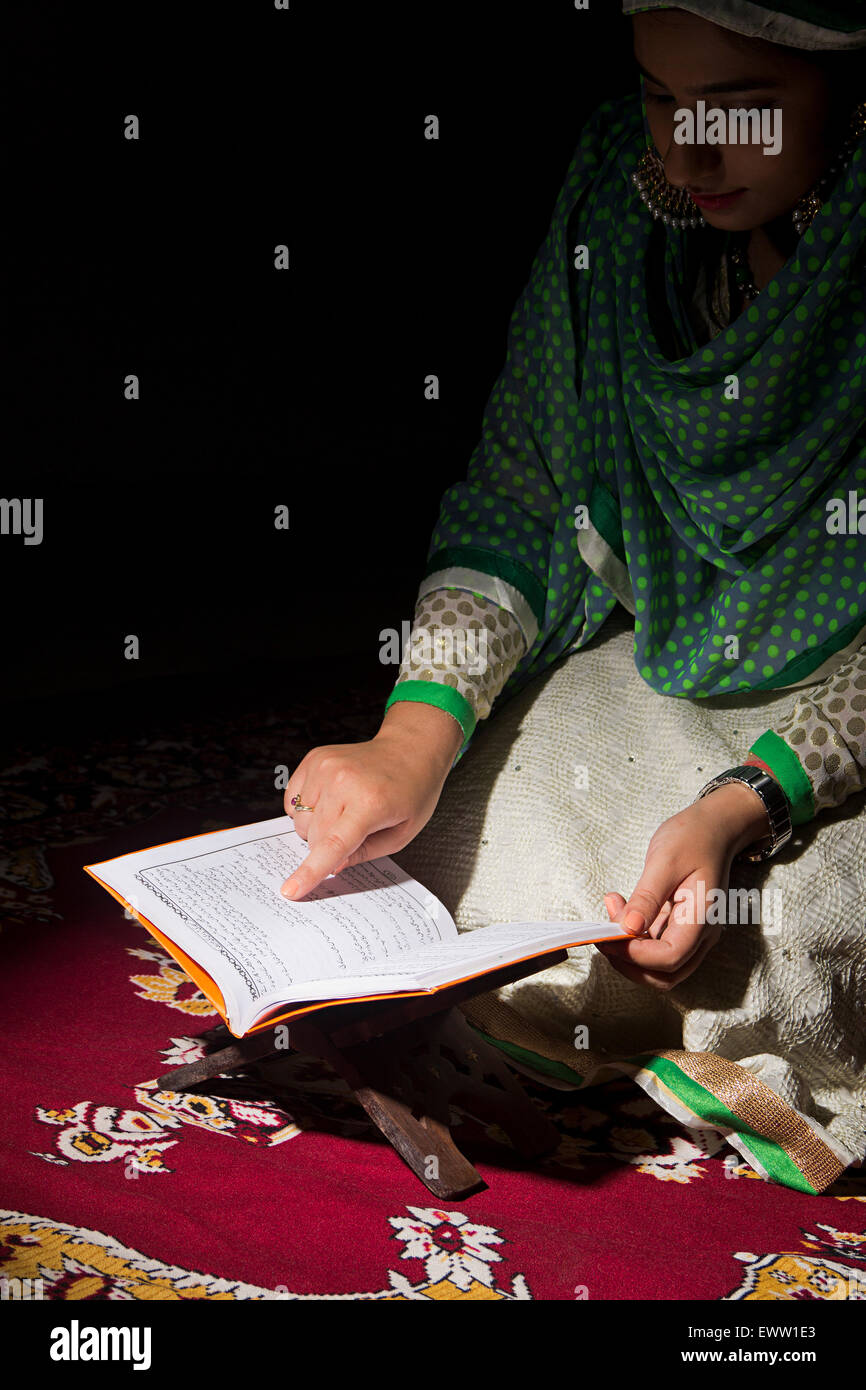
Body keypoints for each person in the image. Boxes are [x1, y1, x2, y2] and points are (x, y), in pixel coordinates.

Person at [280, 2, 866, 1194]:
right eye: (660, 96)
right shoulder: (617, 191)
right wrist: (413, 730)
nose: (686, 156)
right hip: (673, 659)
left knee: (772, 937)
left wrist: (735, 810)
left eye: (743, 107)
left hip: (842, 715)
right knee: (432, 849)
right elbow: (524, 486)